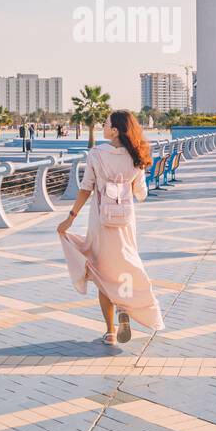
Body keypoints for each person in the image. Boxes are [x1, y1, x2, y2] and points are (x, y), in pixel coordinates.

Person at [56, 109, 164, 345]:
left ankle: (110, 332)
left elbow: (86, 188)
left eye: (105, 123)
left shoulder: (96, 154)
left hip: (100, 224)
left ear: (114, 131)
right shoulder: (136, 155)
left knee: (102, 273)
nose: (102, 126)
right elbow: (141, 194)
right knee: (124, 268)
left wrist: (71, 217)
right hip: (124, 224)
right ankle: (124, 309)